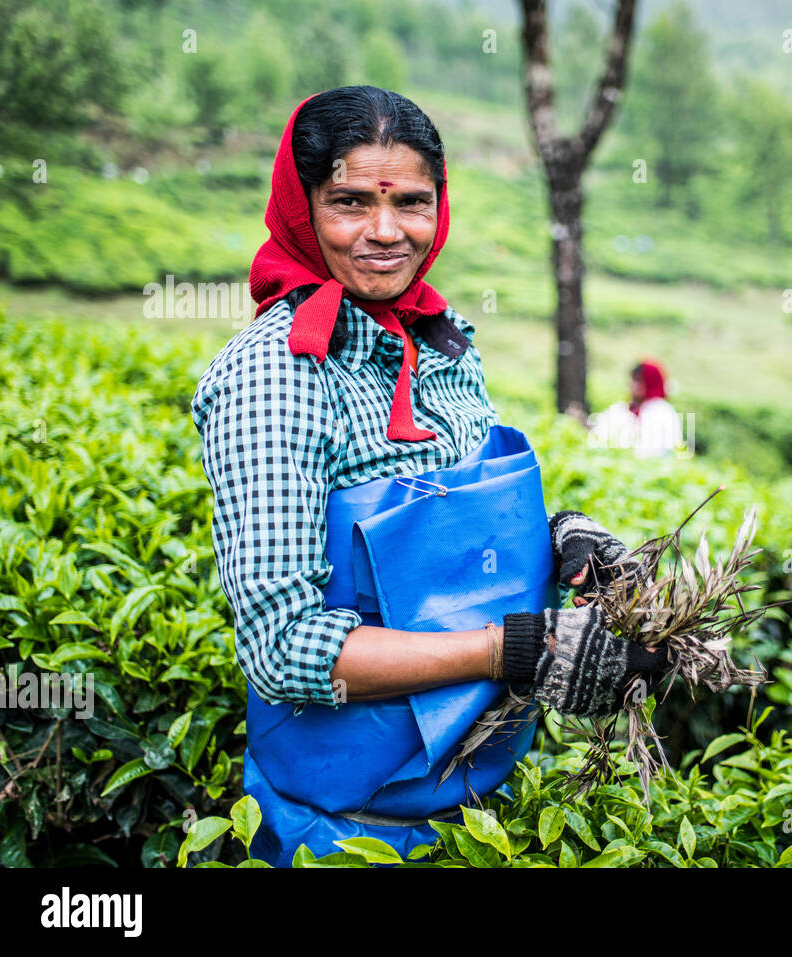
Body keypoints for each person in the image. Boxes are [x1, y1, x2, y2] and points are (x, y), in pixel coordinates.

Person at [190, 87, 666, 853]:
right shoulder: (274, 376)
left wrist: (560, 543)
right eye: (348, 201)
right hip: (344, 830)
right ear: (300, 205)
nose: (385, 231)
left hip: (482, 804)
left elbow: (447, 540)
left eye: (411, 202)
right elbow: (284, 648)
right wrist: (518, 649)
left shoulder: (445, 345)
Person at [588, 358, 684, 458]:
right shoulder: (623, 409)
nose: (632, 385)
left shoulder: (660, 410)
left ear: (650, 382)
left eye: (638, 380)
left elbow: (655, 450)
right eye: (633, 380)